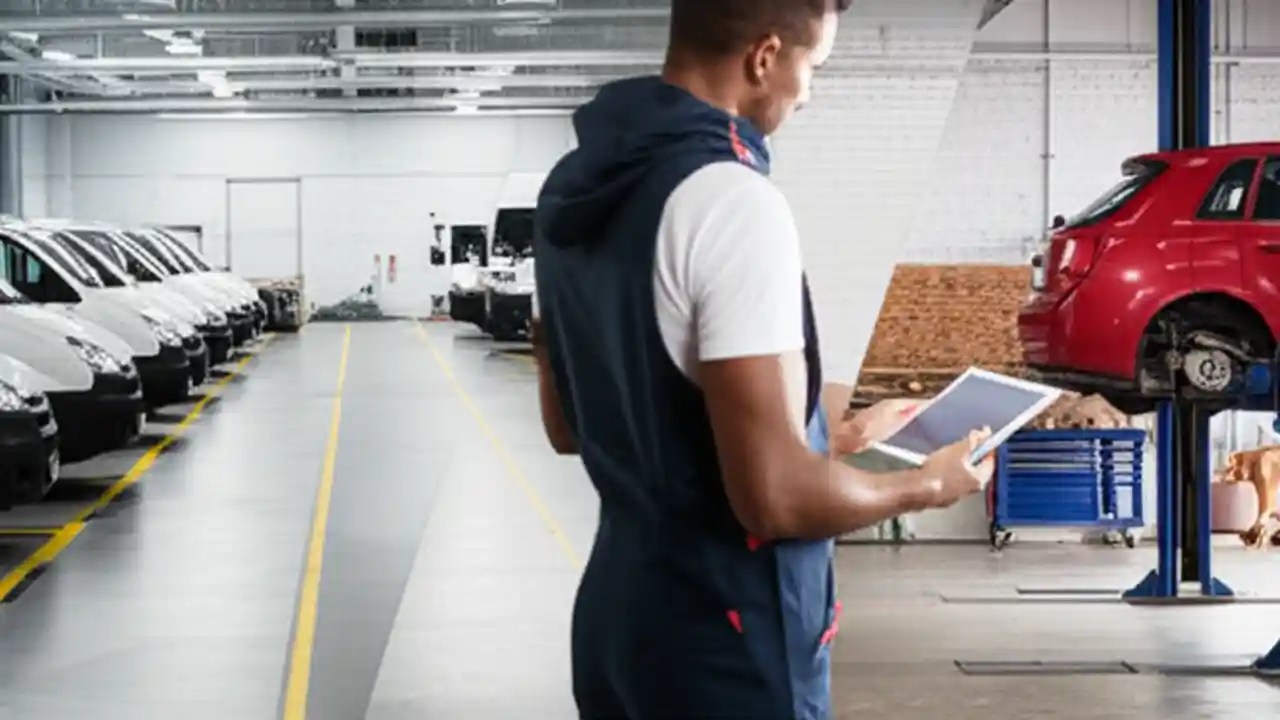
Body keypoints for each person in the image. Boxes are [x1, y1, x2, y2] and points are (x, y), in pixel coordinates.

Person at [530, 1, 995, 718]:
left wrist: (829, 438)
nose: (807, 92)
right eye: (814, 66)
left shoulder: (574, 188)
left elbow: (573, 427)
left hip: (619, 618)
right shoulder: (732, 202)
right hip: (724, 636)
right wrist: (926, 485)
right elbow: (775, 499)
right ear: (765, 57)